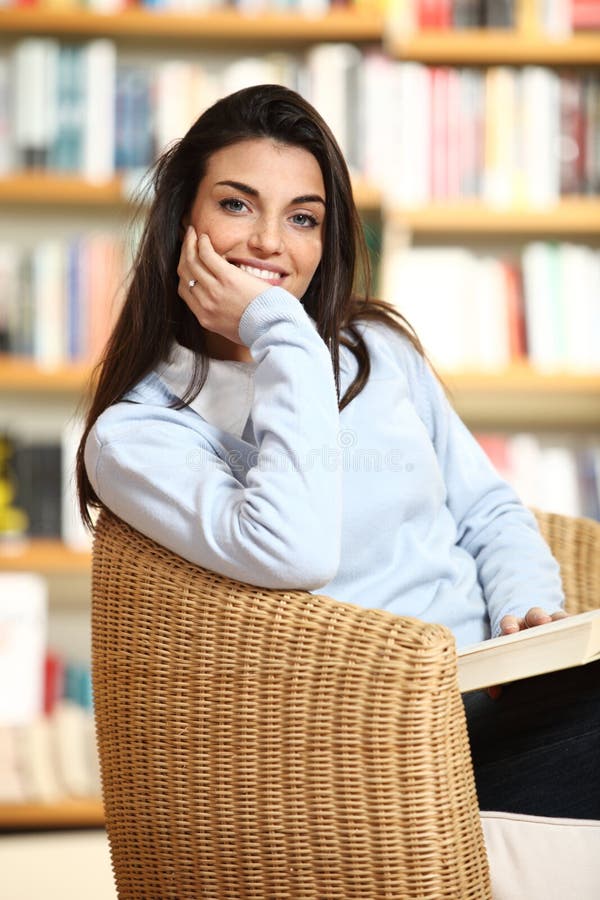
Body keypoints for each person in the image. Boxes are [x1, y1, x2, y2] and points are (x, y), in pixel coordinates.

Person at [76, 84, 599, 819]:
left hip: (500, 689)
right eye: (236, 204)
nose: (269, 243)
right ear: (179, 223)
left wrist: (527, 610)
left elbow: (485, 509)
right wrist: (278, 333)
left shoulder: (374, 351)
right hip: (374, 746)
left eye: (303, 219)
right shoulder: (139, 435)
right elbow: (295, 550)